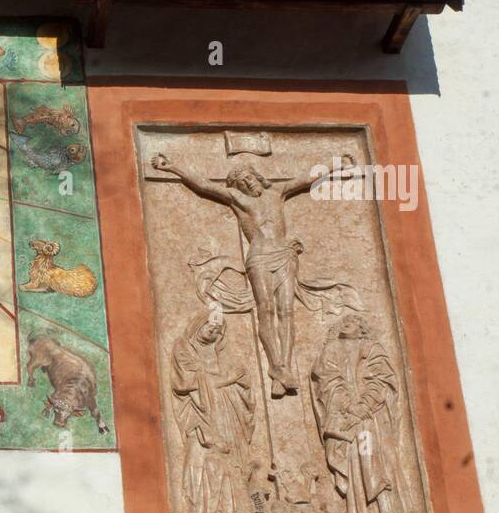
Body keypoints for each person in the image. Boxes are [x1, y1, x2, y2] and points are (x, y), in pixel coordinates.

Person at [151, 151, 357, 398]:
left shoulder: (277, 193)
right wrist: (173, 167)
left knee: (287, 311)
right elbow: (204, 185)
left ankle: (285, 367)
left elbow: (307, 178)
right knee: (266, 309)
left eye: (249, 178)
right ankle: (275, 366)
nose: (247, 183)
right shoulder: (238, 199)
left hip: (284, 255)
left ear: (258, 176)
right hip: (258, 257)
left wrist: (336, 164)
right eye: (241, 182)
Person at [310, 314, 420, 513]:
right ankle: (365, 511)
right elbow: (327, 380)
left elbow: (384, 379)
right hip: (345, 414)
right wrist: (347, 406)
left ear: (362, 329)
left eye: (353, 321)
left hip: (371, 415)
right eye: (343, 321)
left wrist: (366, 404)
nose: (346, 322)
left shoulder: (371, 347)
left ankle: (386, 503)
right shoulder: (331, 349)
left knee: (373, 453)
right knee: (356, 458)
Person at [169, 310, 255, 513]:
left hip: (227, 419)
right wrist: (227, 380)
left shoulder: (222, 353)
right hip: (199, 420)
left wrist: (236, 381)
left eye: (218, 330)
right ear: (199, 324)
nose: (214, 331)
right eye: (210, 326)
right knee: (202, 466)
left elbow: (242, 378)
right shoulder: (184, 348)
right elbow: (186, 383)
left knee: (232, 468)